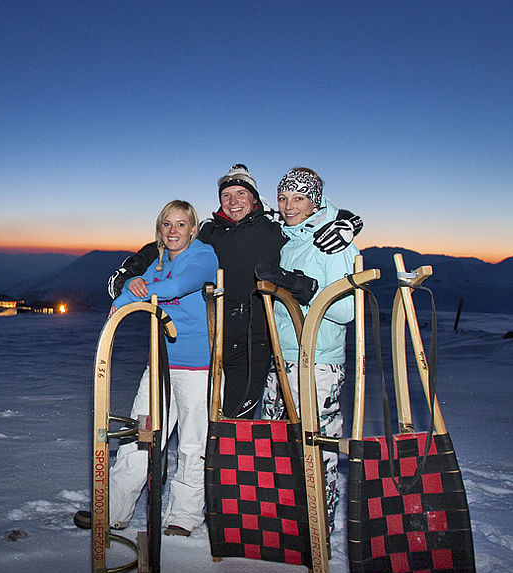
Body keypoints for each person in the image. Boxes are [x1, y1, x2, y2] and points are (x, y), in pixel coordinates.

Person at [106, 164, 362, 419]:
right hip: (214, 341)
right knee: (209, 421)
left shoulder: (275, 229)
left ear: (254, 198)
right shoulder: (210, 231)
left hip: (256, 345)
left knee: (237, 420)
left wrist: (347, 220)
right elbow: (166, 243)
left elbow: (307, 224)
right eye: (226, 195)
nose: (233, 201)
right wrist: (129, 274)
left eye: (241, 193)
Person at [76, 200, 218, 536]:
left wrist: (126, 297)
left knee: (193, 443)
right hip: (160, 363)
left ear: (193, 229)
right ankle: (111, 511)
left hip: (198, 365)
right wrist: (130, 287)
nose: (173, 231)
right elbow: (136, 285)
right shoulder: (158, 262)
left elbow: (177, 288)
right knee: (140, 437)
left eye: (181, 224)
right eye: (167, 224)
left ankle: (184, 516)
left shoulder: (203, 256)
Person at [257, 167, 360, 537]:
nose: (289, 206)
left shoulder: (332, 239)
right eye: (283, 198)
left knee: (316, 447)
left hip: (318, 359)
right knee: (277, 442)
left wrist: (306, 288)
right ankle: (285, 524)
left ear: (314, 200)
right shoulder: (289, 239)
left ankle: (320, 529)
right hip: (283, 356)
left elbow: (347, 309)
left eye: (298, 198)